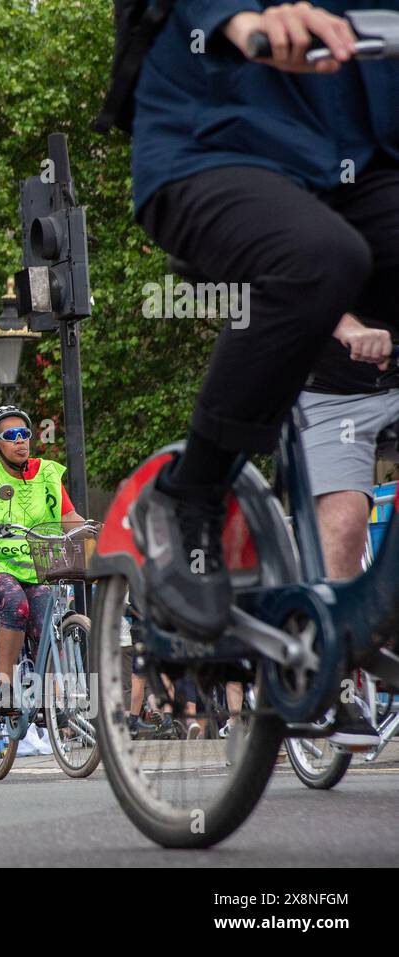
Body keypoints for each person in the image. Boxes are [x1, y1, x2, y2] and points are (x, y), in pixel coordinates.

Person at [127, 2, 399, 647]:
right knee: (321, 259)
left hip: (359, 157)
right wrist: (243, 17)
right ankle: (190, 495)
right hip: (217, 148)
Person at [293, 319, 396, 746]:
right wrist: (347, 326)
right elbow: (302, 266)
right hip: (334, 392)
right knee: (346, 521)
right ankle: (338, 680)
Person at [0, 406, 91, 711]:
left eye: (25, 434)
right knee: (15, 603)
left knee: (48, 612)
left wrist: (94, 532)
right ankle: (4, 685)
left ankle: (46, 694)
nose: (21, 441)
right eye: (11, 436)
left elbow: (68, 517)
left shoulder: (48, 472)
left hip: (38, 570)